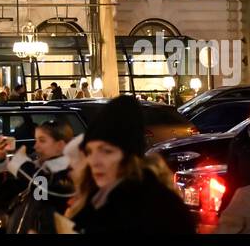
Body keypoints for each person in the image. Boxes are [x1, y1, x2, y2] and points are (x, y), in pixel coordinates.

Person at [65, 96, 194, 234]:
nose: (94, 161)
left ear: (128, 155)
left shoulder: (156, 208)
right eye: (89, 151)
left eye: (106, 151)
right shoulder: (96, 198)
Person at [0, 119, 75, 233]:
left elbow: (50, 189)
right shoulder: (36, 174)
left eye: (42, 140)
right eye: (35, 140)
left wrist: (22, 165)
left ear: (60, 145)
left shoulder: (71, 174)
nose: (35, 146)